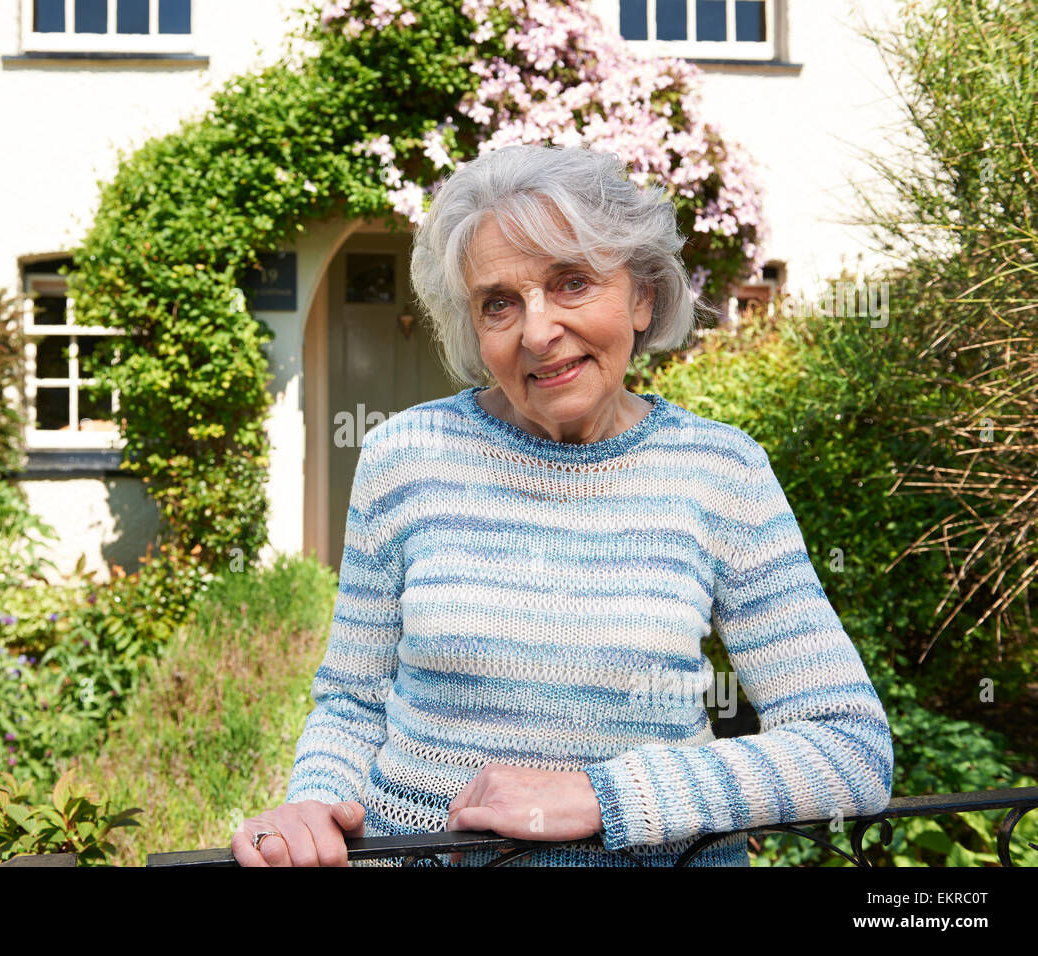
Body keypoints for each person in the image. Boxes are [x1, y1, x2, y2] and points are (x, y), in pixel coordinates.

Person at [231, 143, 894, 867]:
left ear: (642, 297)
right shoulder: (404, 456)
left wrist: (603, 797)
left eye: (572, 282)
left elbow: (847, 748)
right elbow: (352, 703)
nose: (537, 332)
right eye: (498, 304)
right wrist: (314, 804)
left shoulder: (720, 471)